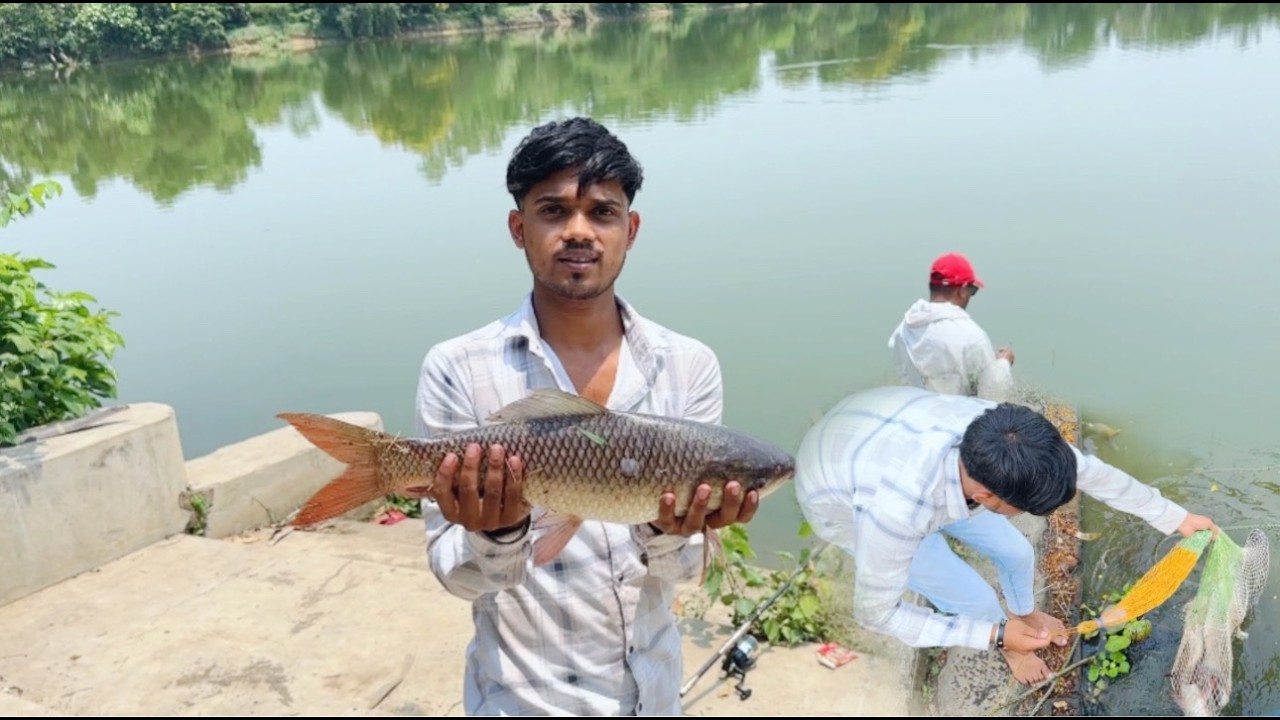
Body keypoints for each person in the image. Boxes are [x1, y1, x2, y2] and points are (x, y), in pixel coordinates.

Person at [414, 116, 762, 716]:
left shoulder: (690, 366)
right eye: (554, 211)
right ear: (519, 229)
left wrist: (678, 530)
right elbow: (455, 576)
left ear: (630, 229)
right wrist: (494, 533)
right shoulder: (457, 367)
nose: (580, 232)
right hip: (522, 700)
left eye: (601, 213)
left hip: (652, 694)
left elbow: (681, 572)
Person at [792, 385, 1217, 685]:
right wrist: (993, 635)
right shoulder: (896, 512)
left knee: (1016, 551)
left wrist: (1175, 517)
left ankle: (1024, 617)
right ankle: (1012, 645)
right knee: (974, 601)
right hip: (843, 496)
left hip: (877, 426)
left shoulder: (1010, 438)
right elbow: (876, 614)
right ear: (988, 497)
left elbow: (1092, 472)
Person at [888, 252, 1015, 402]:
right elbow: (994, 393)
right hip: (957, 421)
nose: (970, 297)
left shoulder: (903, 329)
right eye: (972, 291)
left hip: (915, 415)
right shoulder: (971, 335)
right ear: (962, 290)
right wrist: (1003, 363)